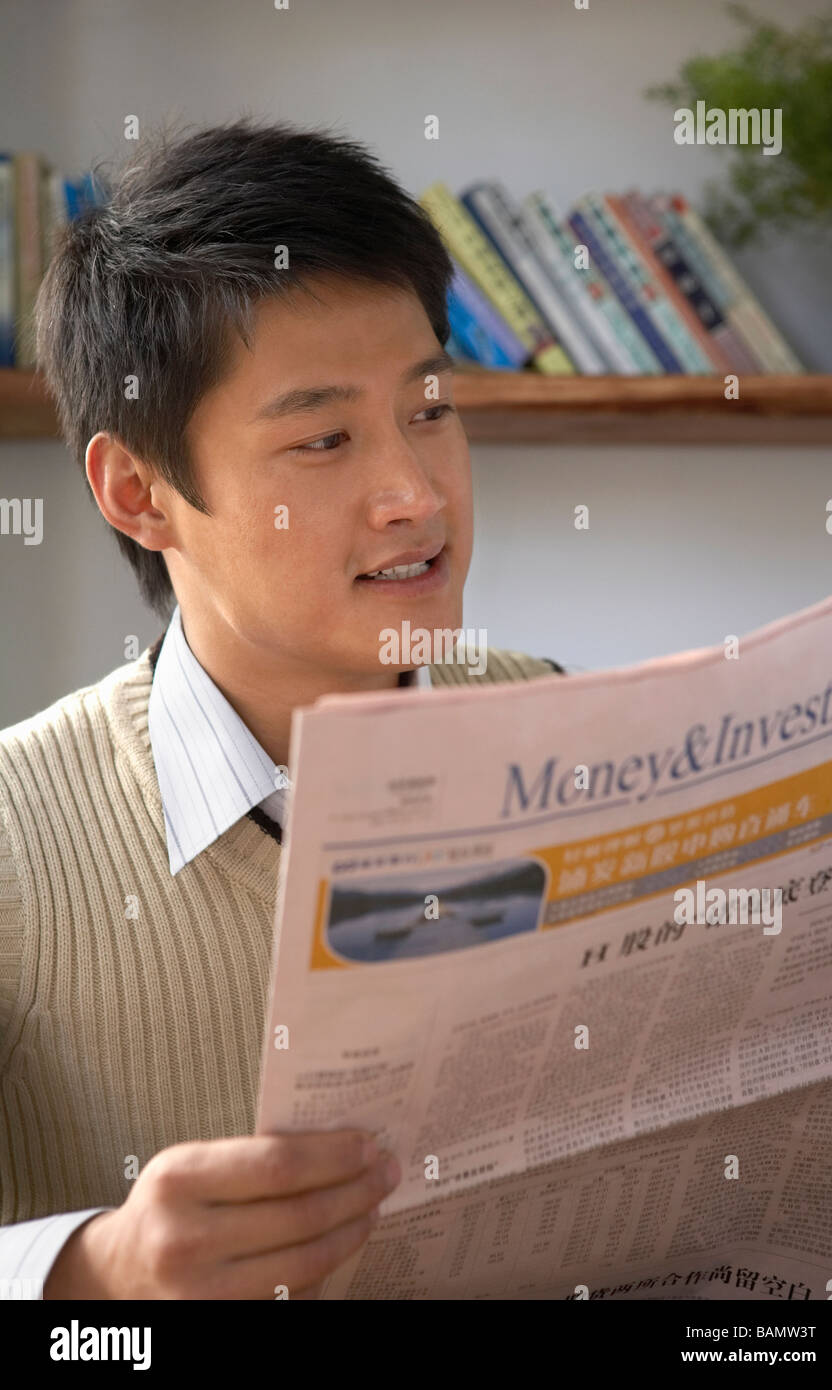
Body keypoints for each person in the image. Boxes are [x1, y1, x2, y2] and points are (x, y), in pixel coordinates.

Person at [0, 118, 562, 1299]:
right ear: (139, 492)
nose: (414, 493)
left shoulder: (561, 723)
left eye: (429, 407)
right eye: (322, 439)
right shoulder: (15, 833)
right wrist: (90, 1272)